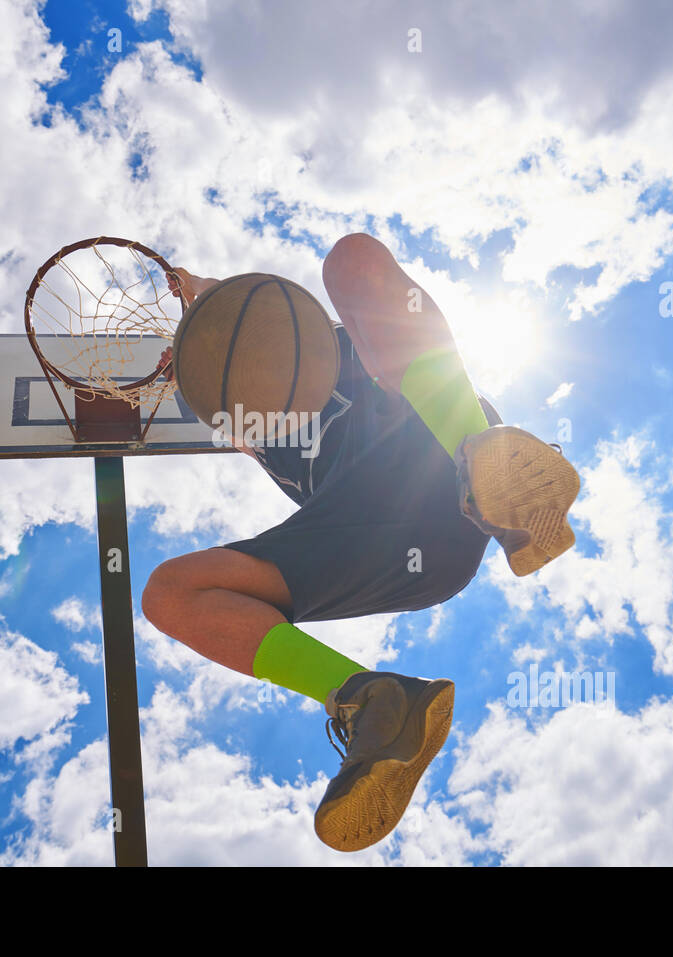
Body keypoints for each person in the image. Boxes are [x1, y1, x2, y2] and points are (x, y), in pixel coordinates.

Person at [142, 233, 580, 852]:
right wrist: (185, 357)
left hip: (424, 448)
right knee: (170, 593)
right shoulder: (247, 418)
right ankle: (376, 703)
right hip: (370, 527)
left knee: (350, 260)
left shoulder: (322, 340)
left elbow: (230, 310)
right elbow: (220, 354)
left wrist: (196, 290)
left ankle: (488, 470)